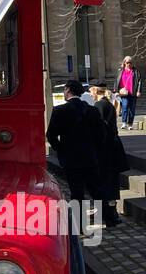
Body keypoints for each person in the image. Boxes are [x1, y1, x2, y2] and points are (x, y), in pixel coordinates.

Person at [46, 79, 112, 232]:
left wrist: (60, 149)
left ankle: (80, 225)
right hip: (89, 156)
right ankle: (109, 218)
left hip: (71, 158)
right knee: (96, 189)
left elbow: (51, 135)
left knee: (77, 192)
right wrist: (94, 149)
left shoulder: (60, 111)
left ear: (68, 90)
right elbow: (101, 134)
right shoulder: (92, 110)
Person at [90, 83, 127, 226]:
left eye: (91, 90)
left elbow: (99, 128)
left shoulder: (99, 105)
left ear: (95, 90)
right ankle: (111, 211)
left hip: (105, 149)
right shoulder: (108, 104)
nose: (90, 93)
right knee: (112, 181)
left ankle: (110, 213)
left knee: (105, 181)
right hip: (113, 147)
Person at [114, 54, 141, 130]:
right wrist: (116, 90)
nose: (129, 64)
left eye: (130, 62)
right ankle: (124, 123)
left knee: (132, 109)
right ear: (124, 63)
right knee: (125, 107)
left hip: (133, 92)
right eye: (127, 62)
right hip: (124, 93)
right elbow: (116, 81)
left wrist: (138, 91)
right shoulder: (120, 71)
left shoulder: (135, 71)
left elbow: (139, 81)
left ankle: (130, 124)